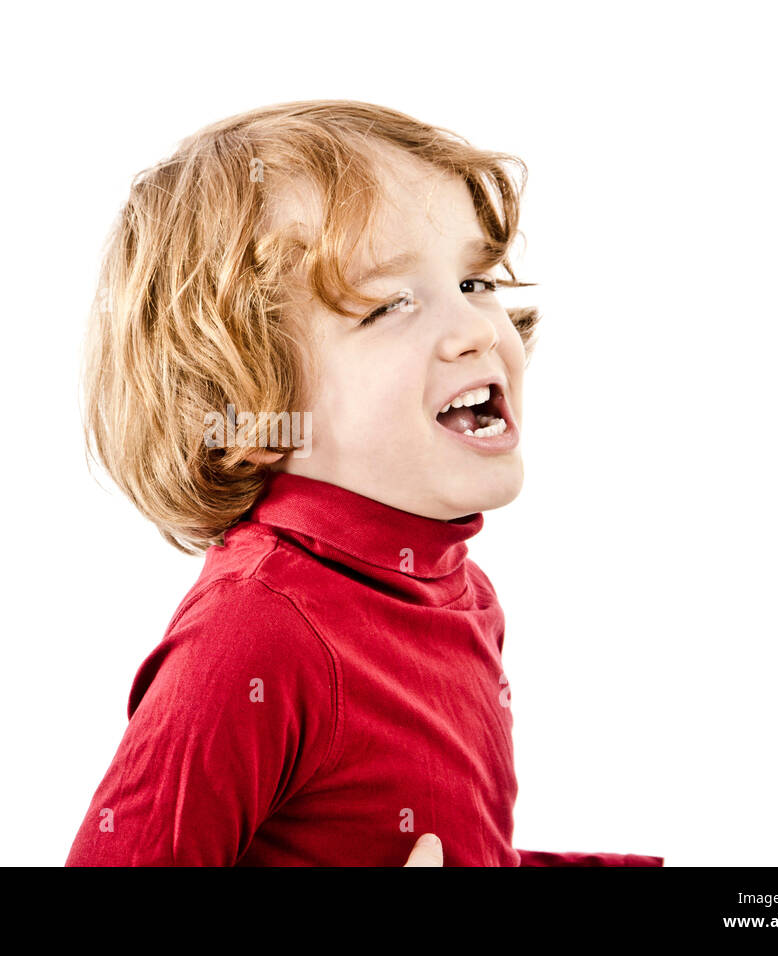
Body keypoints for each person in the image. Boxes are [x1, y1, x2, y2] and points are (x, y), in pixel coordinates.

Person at [67, 99, 662, 867]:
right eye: (388, 305)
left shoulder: (459, 590)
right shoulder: (258, 634)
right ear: (251, 403)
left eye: (475, 282)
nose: (479, 328)